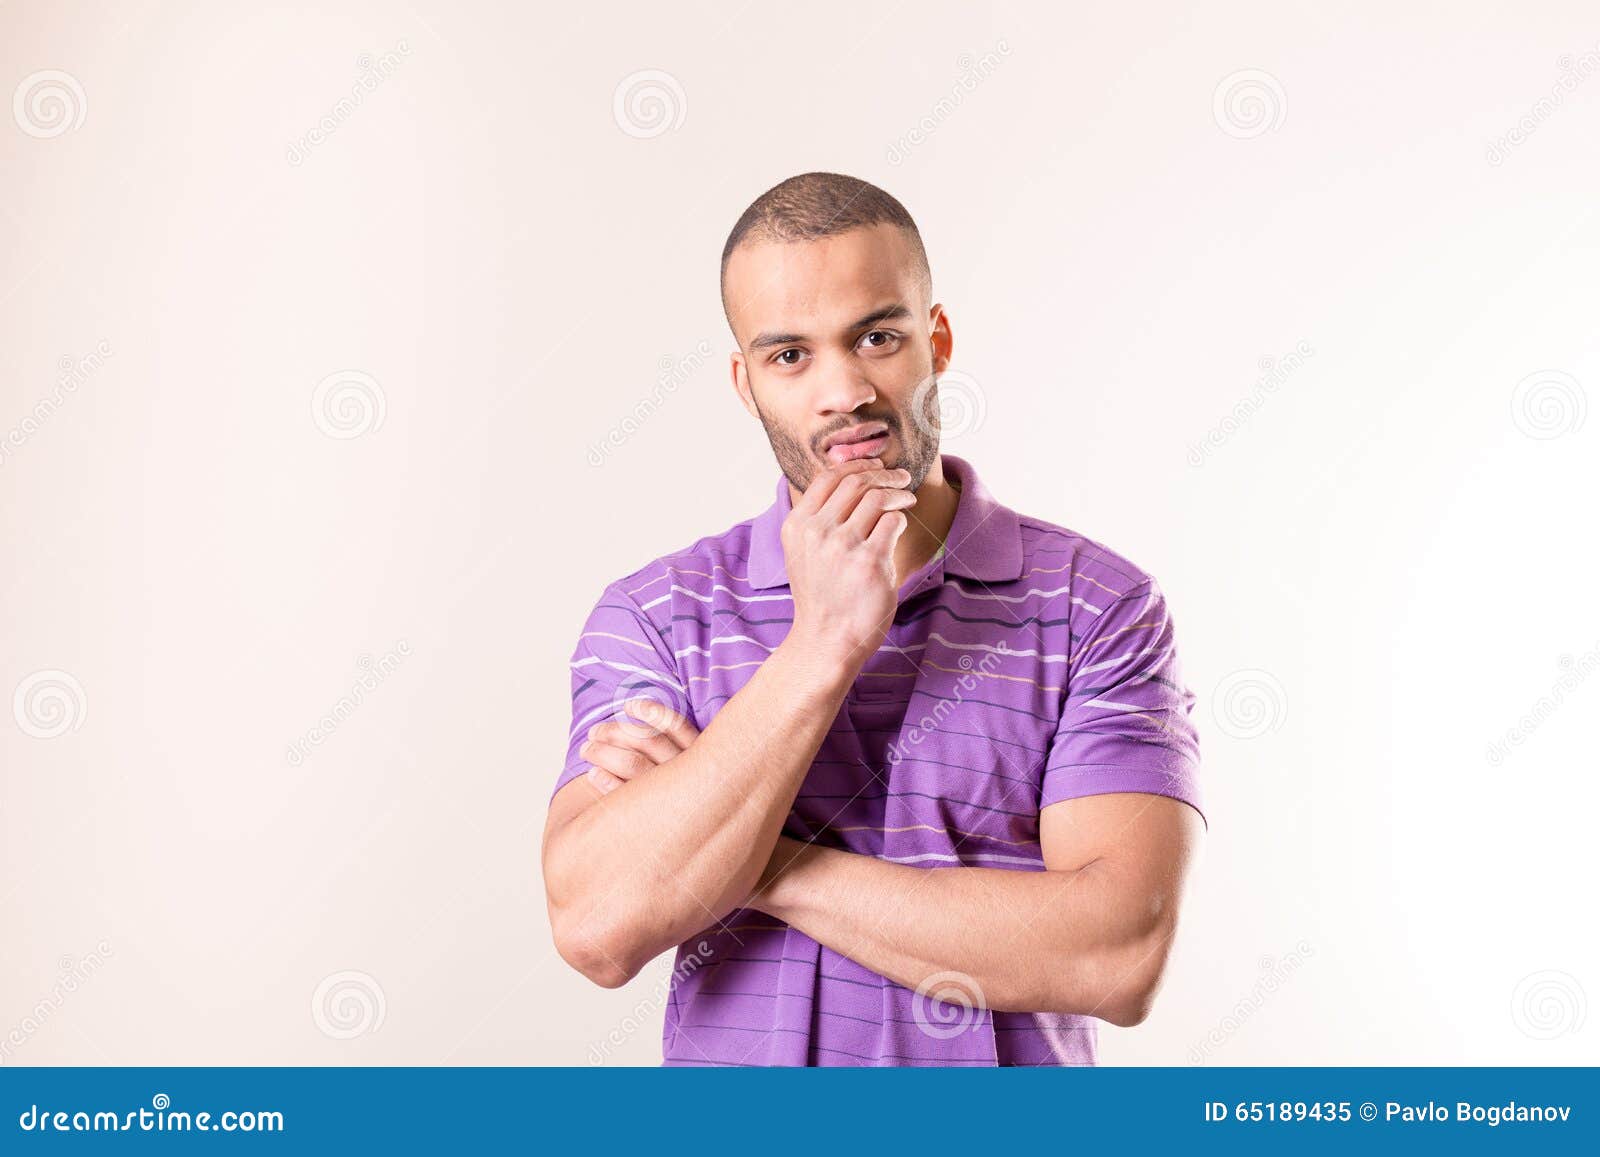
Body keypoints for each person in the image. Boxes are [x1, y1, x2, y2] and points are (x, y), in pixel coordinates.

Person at [541, 172, 1206, 1066]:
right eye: (790, 357)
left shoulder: (1098, 604)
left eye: (878, 337)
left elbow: (1118, 953)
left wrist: (746, 859)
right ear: (746, 383)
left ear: (936, 339)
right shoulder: (656, 618)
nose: (843, 391)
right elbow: (597, 926)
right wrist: (819, 649)